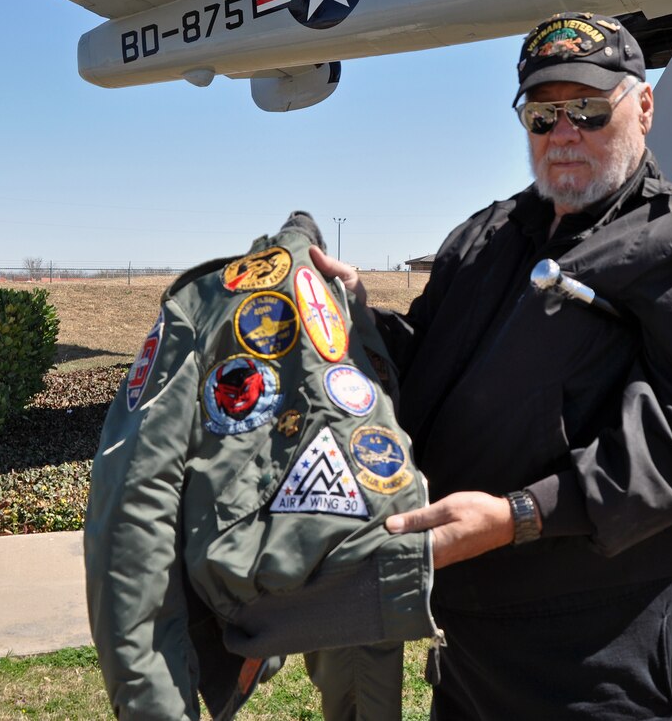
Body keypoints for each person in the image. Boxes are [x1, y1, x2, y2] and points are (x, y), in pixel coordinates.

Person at [312, 11, 672, 719]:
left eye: (588, 109)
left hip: (596, 646)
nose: (564, 133)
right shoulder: (485, 236)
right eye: (542, 114)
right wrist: (357, 314)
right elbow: (425, 366)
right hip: (464, 635)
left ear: (643, 107)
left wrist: (517, 514)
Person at [84, 212, 438, 721]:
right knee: (364, 683)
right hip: (367, 569)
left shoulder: (205, 303)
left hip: (244, 577)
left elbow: (133, 497)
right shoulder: (352, 325)